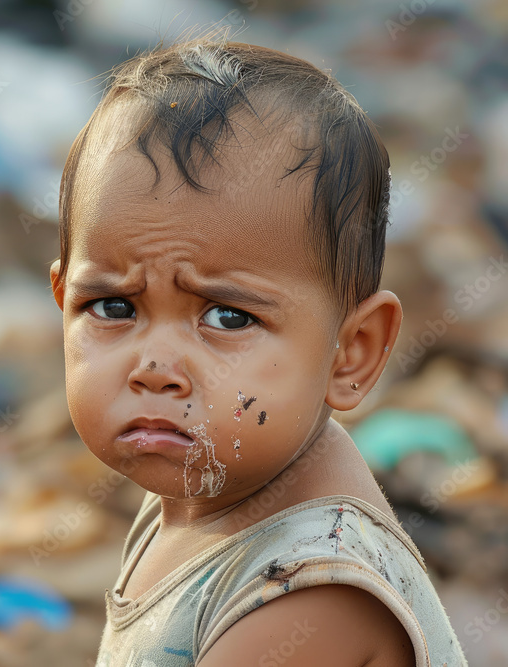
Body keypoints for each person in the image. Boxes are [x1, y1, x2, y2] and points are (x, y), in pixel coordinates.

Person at [48, 32, 467, 666]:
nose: (155, 369)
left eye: (226, 316)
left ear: (350, 352)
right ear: (62, 300)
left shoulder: (306, 592)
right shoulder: (206, 477)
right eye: (114, 307)